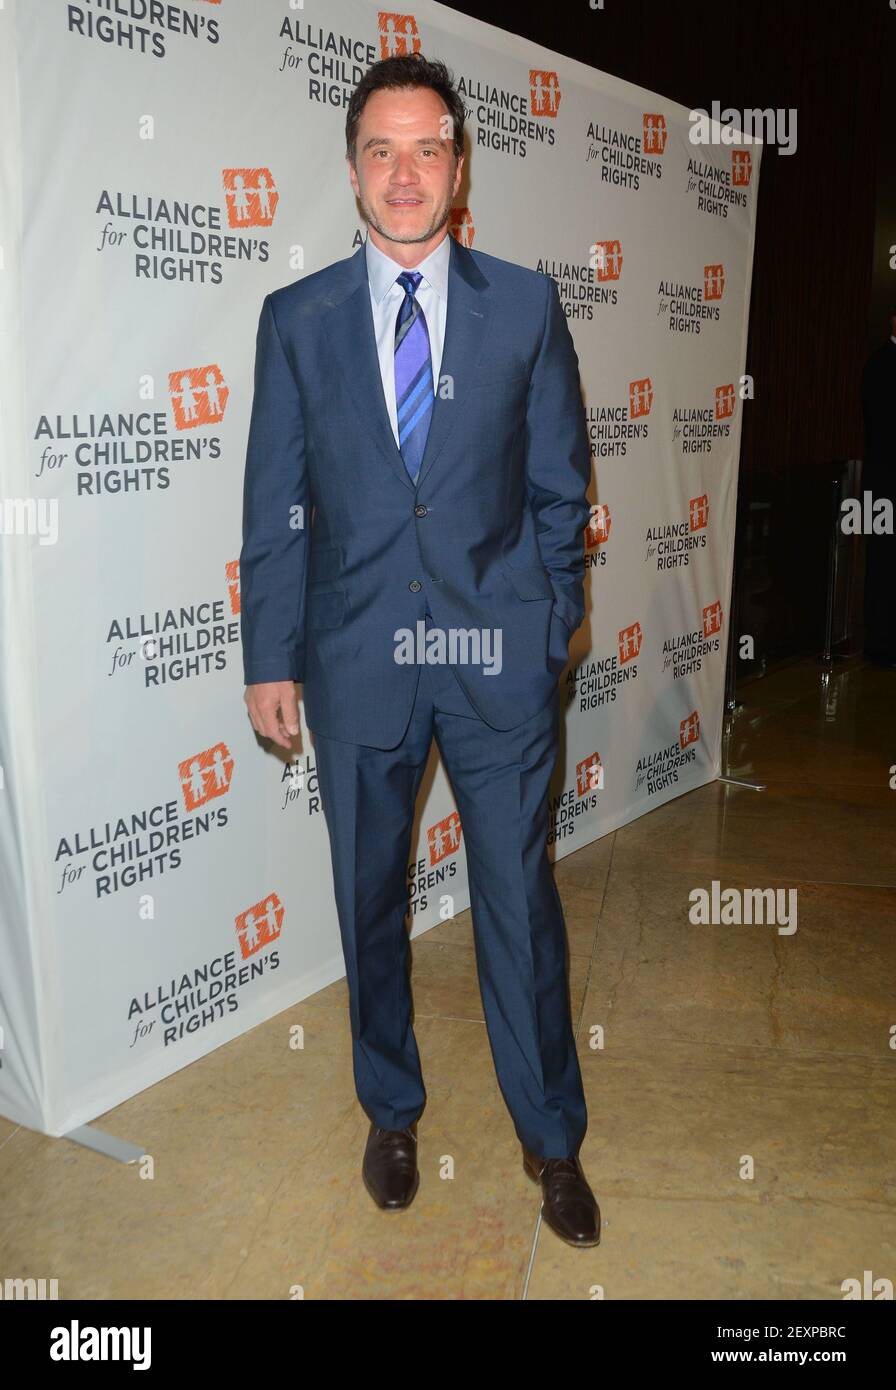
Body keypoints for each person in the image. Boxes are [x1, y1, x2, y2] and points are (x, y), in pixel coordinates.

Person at [239, 52, 599, 1248]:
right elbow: (275, 500)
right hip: (353, 665)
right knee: (368, 901)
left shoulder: (525, 307)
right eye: (381, 150)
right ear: (352, 169)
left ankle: (551, 1138)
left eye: (427, 147)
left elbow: (558, 488)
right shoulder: (295, 322)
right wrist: (268, 656)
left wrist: (550, 623)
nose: (405, 173)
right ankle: (390, 1110)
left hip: (496, 663)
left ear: (459, 165)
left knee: (517, 905)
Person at [860, 310, 896, 667]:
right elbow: (882, 425)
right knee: (884, 562)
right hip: (886, 483)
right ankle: (880, 644)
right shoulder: (881, 365)